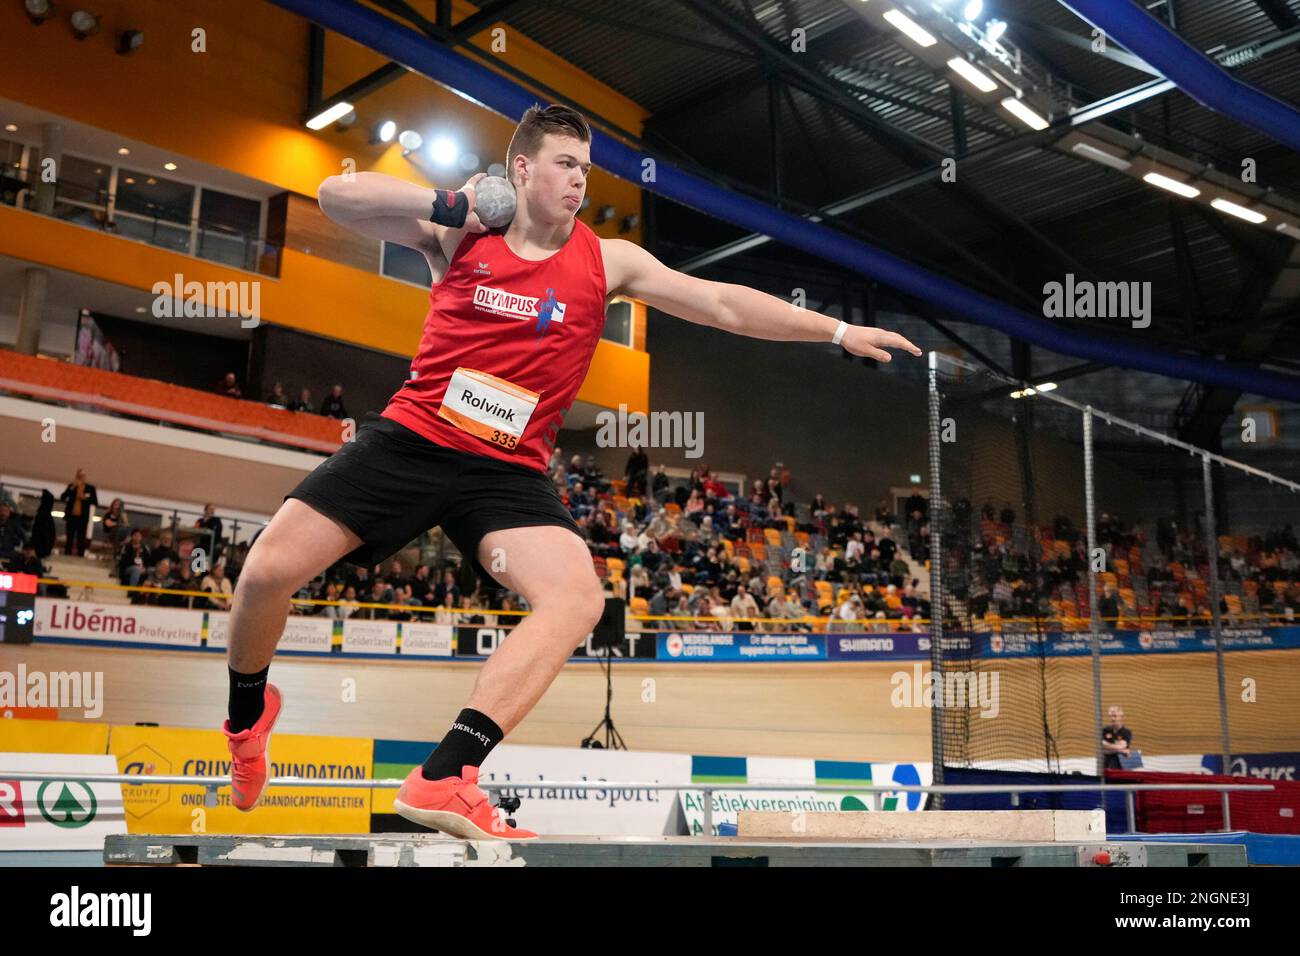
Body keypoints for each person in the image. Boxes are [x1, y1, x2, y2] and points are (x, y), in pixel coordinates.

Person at [219, 102, 920, 839]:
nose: (579, 180)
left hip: (506, 472)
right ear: (520, 169)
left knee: (577, 597)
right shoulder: (464, 232)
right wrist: (453, 202)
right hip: (415, 439)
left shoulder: (607, 260)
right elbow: (336, 197)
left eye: (586, 168)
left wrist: (837, 330)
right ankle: (247, 716)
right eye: (564, 164)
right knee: (266, 571)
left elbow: (720, 304)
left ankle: (448, 776)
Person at [59, 468, 98, 557]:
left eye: (83, 476)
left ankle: (80, 555)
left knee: (81, 537)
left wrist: (85, 499)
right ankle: (67, 555)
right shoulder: (72, 486)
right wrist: (72, 488)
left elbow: (95, 502)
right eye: (79, 476)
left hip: (82, 517)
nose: (81, 478)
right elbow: (63, 497)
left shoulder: (90, 488)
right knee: (70, 536)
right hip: (71, 516)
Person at [1101, 705, 1133, 770]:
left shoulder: (1126, 732)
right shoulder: (1105, 730)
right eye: (1110, 716)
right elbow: (1103, 747)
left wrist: (1108, 746)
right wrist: (1122, 750)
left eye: (1115, 716)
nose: (1112, 719)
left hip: (1122, 766)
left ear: (1121, 717)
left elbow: (1122, 746)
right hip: (1107, 765)